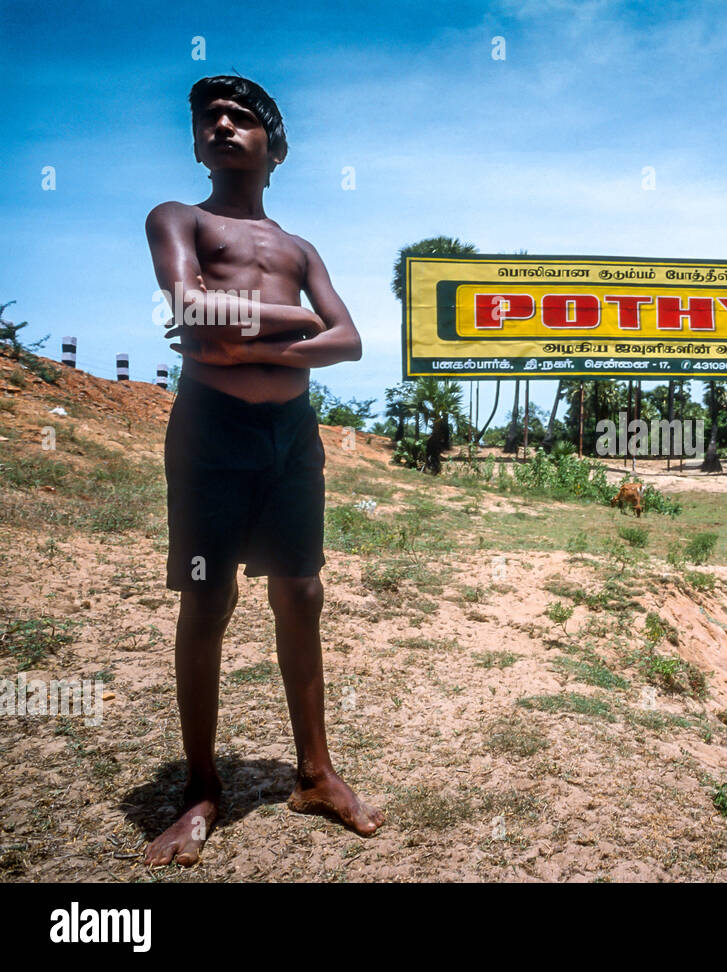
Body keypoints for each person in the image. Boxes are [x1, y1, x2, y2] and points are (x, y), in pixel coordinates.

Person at [142, 75, 383, 866]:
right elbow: (186, 308)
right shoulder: (179, 218)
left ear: (272, 148)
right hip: (210, 427)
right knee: (209, 598)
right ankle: (201, 788)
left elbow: (348, 340)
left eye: (241, 118)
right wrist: (292, 323)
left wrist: (243, 335)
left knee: (301, 591)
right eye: (208, 117)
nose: (221, 124)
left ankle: (315, 772)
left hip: (291, 433)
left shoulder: (299, 248)